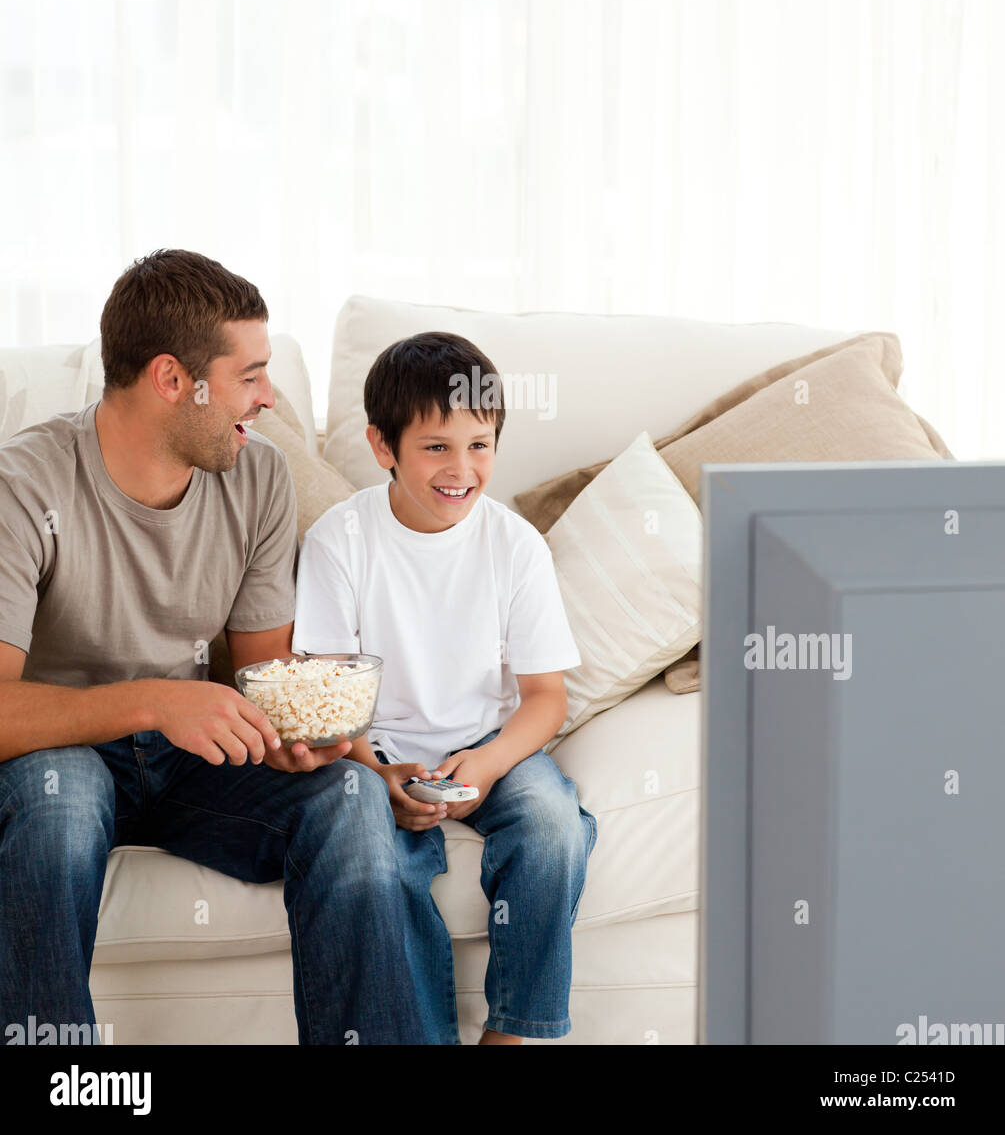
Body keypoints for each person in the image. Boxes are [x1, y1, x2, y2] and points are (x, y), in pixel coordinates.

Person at [0, 248, 431, 1045]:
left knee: (347, 802)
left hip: (194, 758)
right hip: (64, 754)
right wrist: (156, 700)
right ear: (173, 380)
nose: (269, 399)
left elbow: (263, 677)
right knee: (58, 805)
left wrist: (313, 749)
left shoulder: (259, 478)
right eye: (251, 375)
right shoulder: (25, 485)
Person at [292, 331, 598, 1046]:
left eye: (480, 445)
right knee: (379, 867)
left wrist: (487, 765)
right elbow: (327, 701)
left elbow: (544, 697)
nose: (461, 469)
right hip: (378, 749)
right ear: (382, 446)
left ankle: (513, 1032)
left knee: (555, 827)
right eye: (436, 447)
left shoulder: (515, 544)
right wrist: (376, 769)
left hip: (488, 745)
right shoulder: (340, 540)